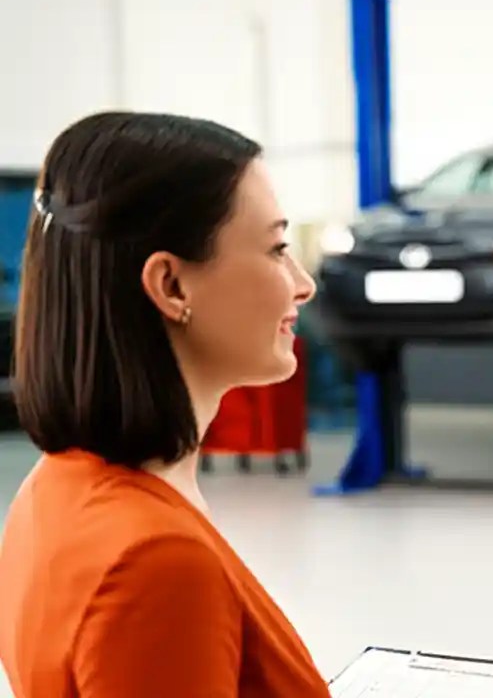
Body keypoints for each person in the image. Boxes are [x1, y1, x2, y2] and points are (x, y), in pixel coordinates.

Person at [0, 111, 330, 696]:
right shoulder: (157, 561)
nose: (303, 283)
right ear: (172, 286)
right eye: (278, 248)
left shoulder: (57, 485)